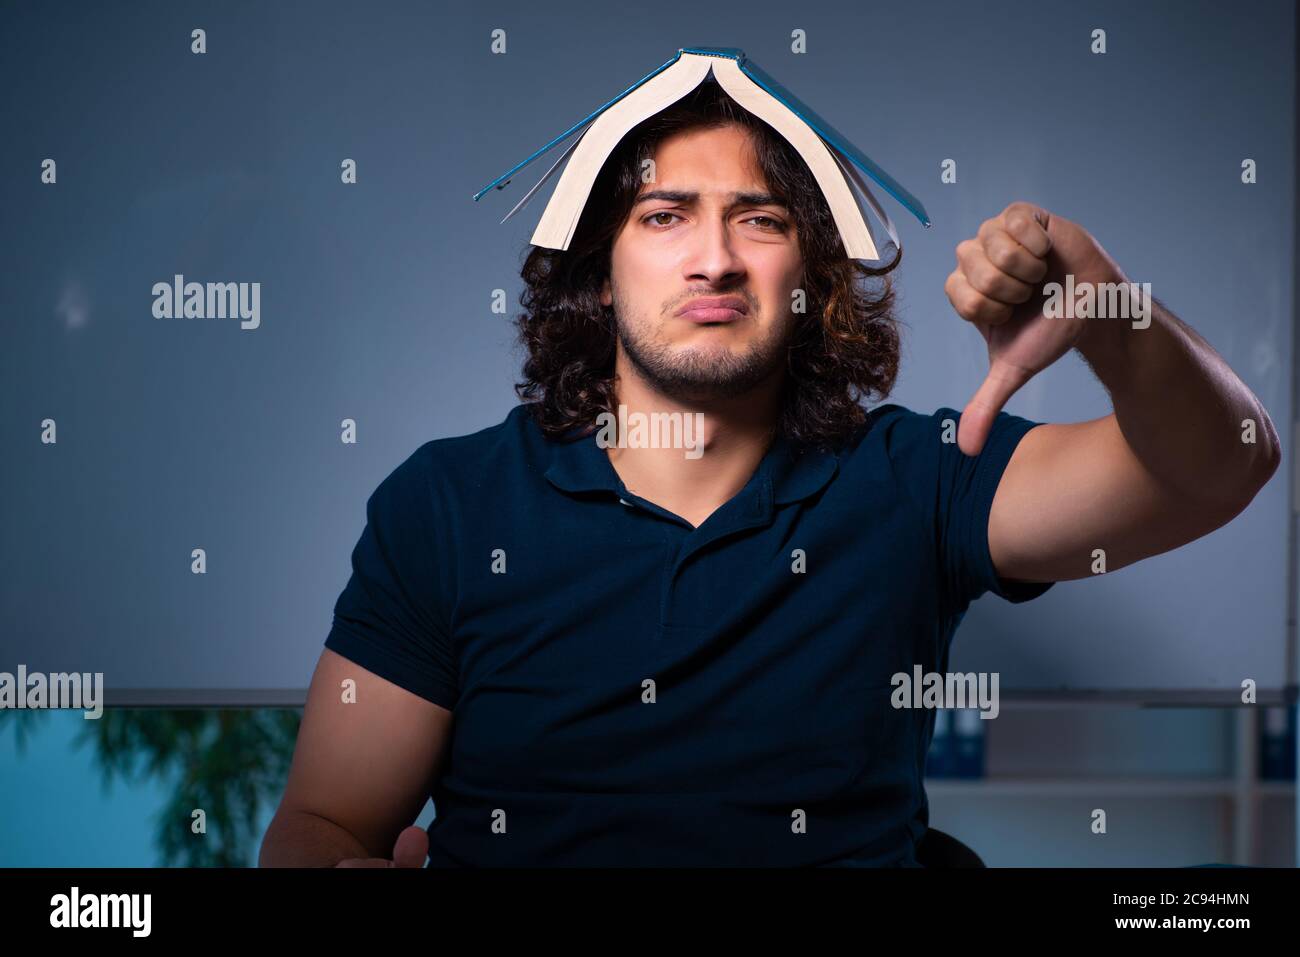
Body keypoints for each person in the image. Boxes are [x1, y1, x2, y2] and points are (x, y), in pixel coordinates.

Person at [258, 81, 1279, 868]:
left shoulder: (914, 479)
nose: (714, 259)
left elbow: (1223, 466)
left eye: (760, 218)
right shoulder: (447, 505)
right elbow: (320, 821)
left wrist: (1110, 307)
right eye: (664, 217)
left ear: (811, 274)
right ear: (598, 274)